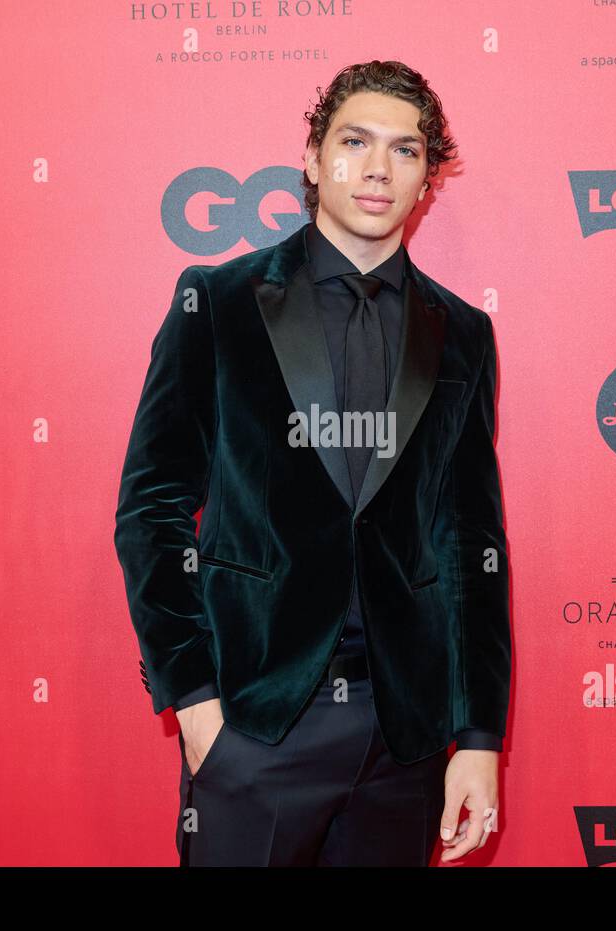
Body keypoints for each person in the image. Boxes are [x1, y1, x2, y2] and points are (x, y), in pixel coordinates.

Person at [114, 59, 511, 866]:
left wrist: (475, 735)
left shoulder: (462, 331)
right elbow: (152, 508)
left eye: (405, 151)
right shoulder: (217, 303)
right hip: (256, 726)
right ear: (312, 158)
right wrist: (195, 703)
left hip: (403, 735)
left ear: (428, 177)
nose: (377, 168)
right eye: (355, 141)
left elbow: (471, 542)